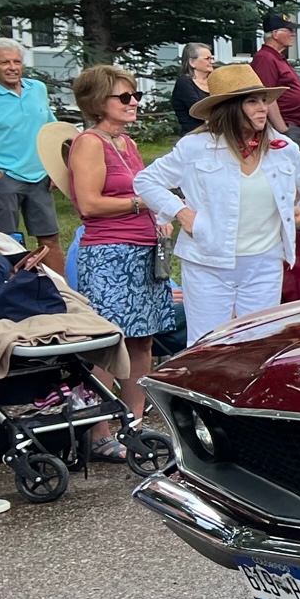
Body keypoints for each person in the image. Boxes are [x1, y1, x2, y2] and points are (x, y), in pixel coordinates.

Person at [135, 63, 300, 343]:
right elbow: (145, 181)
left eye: (264, 100)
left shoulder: (282, 147)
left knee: (258, 342)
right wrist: (181, 212)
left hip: (265, 261)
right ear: (230, 107)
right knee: (207, 343)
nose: (263, 108)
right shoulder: (196, 147)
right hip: (208, 263)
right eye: (252, 101)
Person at [57, 65, 175, 460]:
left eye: (135, 95)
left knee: (141, 342)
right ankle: (98, 431)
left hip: (143, 249)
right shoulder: (90, 142)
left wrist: (159, 218)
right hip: (110, 253)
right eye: (124, 97)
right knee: (110, 344)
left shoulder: (126, 142)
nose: (134, 102)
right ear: (97, 102)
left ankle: (135, 425)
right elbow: (89, 204)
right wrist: (144, 202)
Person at [0, 38, 59, 270]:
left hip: (39, 177)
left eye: (17, 62)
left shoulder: (37, 89)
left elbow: (51, 130)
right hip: (6, 178)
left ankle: (63, 295)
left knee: (50, 239)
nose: (12, 67)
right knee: (6, 243)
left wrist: (55, 168)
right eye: (5, 62)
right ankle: (8, 294)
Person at [249, 11, 300, 139]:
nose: (293, 33)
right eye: (288, 30)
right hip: (287, 126)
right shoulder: (265, 58)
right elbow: (267, 95)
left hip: (297, 125)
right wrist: (283, 130)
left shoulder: (277, 57)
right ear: (275, 34)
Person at [171, 43, 214, 134]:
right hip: (194, 135)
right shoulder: (184, 82)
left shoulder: (214, 81)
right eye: (207, 59)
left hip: (216, 134)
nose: (212, 62)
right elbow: (198, 109)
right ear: (192, 62)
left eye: (212, 58)